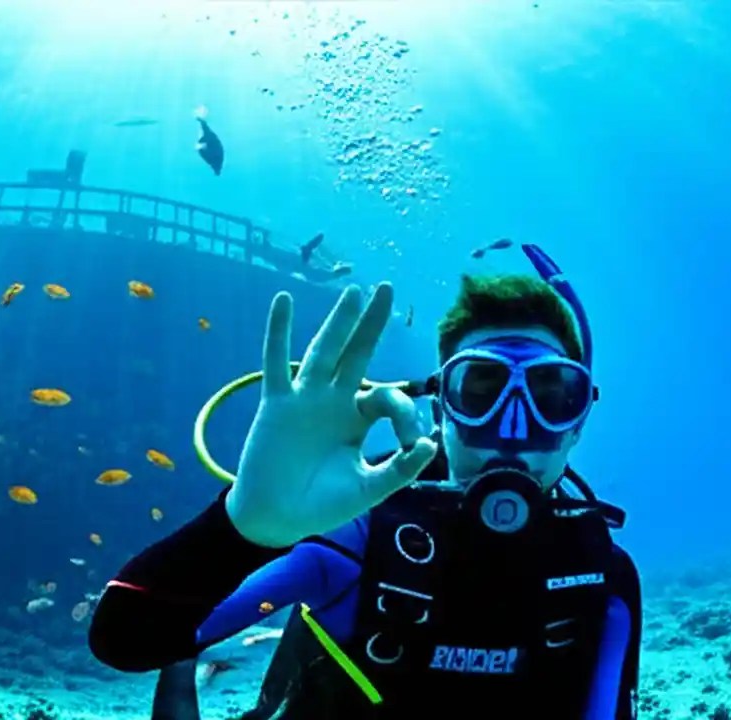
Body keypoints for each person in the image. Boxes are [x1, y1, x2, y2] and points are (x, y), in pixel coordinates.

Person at [90, 244, 642, 719]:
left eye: (550, 397)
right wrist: (241, 531)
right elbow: (127, 640)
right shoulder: (360, 540)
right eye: (480, 390)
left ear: (577, 424)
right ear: (443, 413)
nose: (514, 430)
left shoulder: (600, 577)